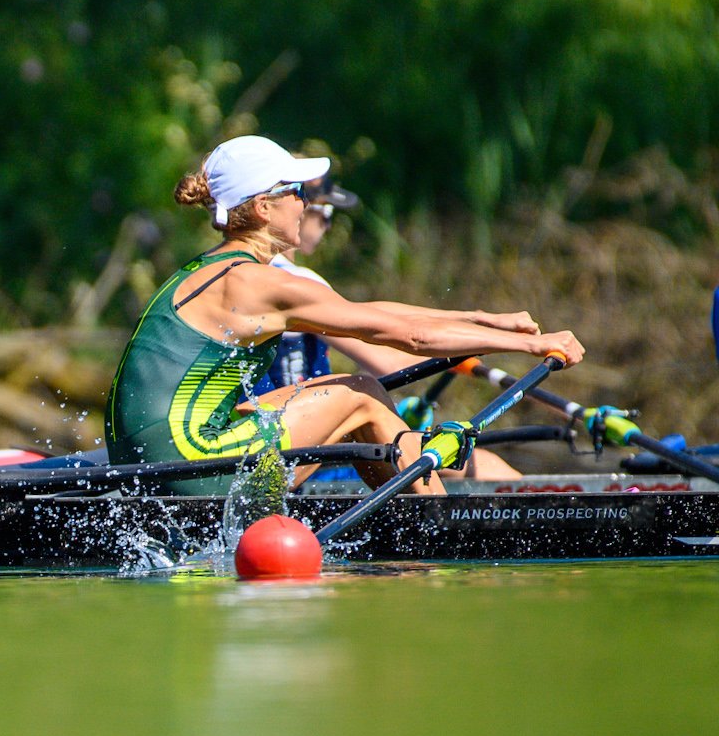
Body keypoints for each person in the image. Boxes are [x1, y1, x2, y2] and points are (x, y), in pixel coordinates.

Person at [104, 136, 582, 495]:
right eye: (296, 190)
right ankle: (438, 526)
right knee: (358, 395)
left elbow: (371, 313)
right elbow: (406, 336)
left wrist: (488, 320)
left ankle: (410, 511)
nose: (306, 202)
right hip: (185, 467)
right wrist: (530, 346)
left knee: (357, 391)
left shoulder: (214, 269)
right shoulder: (256, 283)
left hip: (147, 464)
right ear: (264, 206)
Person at [253, 175, 518, 480]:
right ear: (299, 209)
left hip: (296, 438)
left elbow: (381, 317)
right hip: (302, 459)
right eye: (326, 214)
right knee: (483, 466)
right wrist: (463, 345)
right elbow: (387, 362)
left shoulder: (249, 273)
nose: (327, 226)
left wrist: (469, 326)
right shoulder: (296, 282)